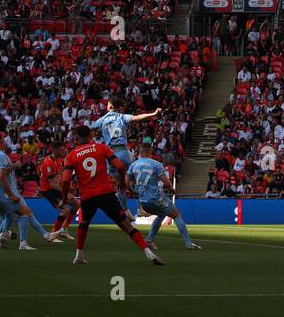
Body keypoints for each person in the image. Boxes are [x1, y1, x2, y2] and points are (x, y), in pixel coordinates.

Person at [61, 125, 163, 266]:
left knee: (84, 224)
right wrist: (121, 182)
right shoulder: (101, 148)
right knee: (127, 226)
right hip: (106, 193)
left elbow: (65, 180)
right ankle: (149, 253)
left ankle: (79, 256)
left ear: (77, 138)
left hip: (87, 196)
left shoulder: (70, 155)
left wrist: (64, 197)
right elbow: (120, 166)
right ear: (89, 136)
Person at [0, 132, 51, 251]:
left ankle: (1, 235)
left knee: (9, 214)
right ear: (1, 141)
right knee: (24, 212)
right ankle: (22, 243)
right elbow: (2, 176)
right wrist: (11, 195)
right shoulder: (1, 156)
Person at [89, 100, 160, 213]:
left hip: (111, 155)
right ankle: (141, 207)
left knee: (119, 183)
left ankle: (125, 210)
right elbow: (137, 118)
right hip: (123, 152)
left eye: (107, 104)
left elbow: (89, 129)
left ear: (110, 106)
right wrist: (152, 114)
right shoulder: (121, 117)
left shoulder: (101, 120)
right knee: (135, 179)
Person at [127, 141, 199, 250]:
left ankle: (149, 240)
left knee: (161, 214)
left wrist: (133, 191)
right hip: (155, 198)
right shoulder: (156, 164)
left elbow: (126, 182)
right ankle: (188, 243)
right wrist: (172, 189)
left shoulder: (133, 165)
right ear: (150, 151)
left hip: (143, 202)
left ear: (140, 152)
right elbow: (166, 182)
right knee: (176, 214)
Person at [37, 146, 77, 241]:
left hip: (55, 188)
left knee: (76, 204)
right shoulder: (48, 162)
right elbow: (52, 184)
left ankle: (63, 230)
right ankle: (53, 235)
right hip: (48, 190)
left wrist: (67, 189)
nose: (63, 151)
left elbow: (58, 178)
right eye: (61, 149)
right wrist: (65, 193)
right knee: (65, 210)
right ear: (55, 149)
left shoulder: (58, 161)